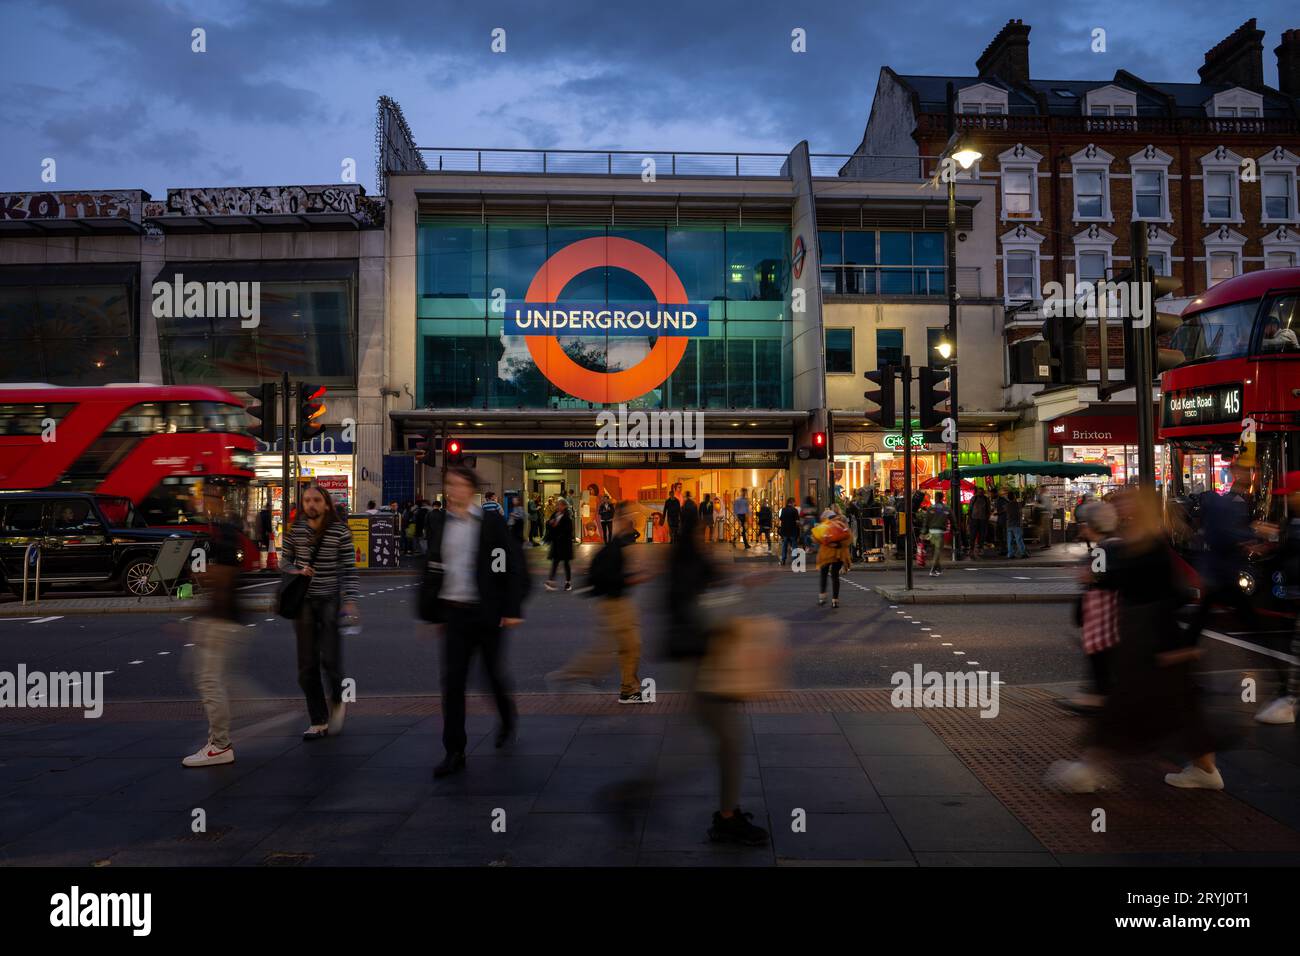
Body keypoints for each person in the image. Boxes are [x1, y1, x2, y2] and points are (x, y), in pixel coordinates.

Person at [1046, 486, 1223, 793]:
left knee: (1126, 702)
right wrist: (1098, 577)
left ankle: (1090, 768)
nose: (1121, 505)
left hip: (1153, 637)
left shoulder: (1153, 546)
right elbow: (1128, 581)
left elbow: (1176, 594)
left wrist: (1181, 645)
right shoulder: (1135, 542)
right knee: (1180, 707)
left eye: (1128, 501)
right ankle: (1205, 770)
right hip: (1142, 634)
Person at [665, 507, 769, 846]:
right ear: (698, 531)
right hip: (699, 664)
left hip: (699, 661)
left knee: (718, 742)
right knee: (713, 746)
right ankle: (724, 818)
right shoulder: (689, 565)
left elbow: (708, 600)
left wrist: (736, 583)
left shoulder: (686, 561)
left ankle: (727, 812)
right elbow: (704, 611)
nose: (710, 536)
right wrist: (739, 588)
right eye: (706, 532)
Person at [425, 465, 530, 778]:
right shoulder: (441, 523)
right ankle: (454, 751)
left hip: (486, 612)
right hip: (454, 612)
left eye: (459, 484)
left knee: (491, 674)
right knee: (452, 683)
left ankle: (507, 717)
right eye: (449, 485)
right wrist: (431, 613)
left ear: (471, 490)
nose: (454, 490)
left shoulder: (491, 522)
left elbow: (513, 565)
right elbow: (431, 568)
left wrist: (511, 609)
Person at [548, 501, 650, 704]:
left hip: (620, 602)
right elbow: (608, 577)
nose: (633, 519)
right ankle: (566, 677)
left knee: (630, 646)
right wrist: (631, 579)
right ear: (620, 519)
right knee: (607, 652)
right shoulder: (613, 547)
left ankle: (629, 690)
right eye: (629, 515)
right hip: (614, 604)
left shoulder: (620, 543)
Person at [281, 484, 359, 740]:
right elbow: (285, 560)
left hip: (329, 600)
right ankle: (318, 719)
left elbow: (349, 569)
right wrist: (296, 571)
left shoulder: (340, 531)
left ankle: (337, 699)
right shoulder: (296, 531)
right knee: (306, 665)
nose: (310, 505)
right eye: (306, 501)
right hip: (303, 601)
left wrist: (349, 600)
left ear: (326, 504)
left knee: (331, 661)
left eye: (315, 500)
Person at [182, 484, 249, 767]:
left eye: (206, 498)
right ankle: (220, 738)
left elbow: (226, 575)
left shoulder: (226, 529)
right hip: (220, 616)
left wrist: (207, 615)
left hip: (222, 618)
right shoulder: (221, 527)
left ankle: (220, 745)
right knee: (212, 679)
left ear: (218, 500)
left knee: (210, 682)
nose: (201, 503)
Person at [1185, 464, 1261, 642]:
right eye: (1245, 472)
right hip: (1223, 570)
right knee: (1244, 614)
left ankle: (1186, 646)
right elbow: (1225, 533)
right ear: (1236, 474)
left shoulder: (1236, 499)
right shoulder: (1233, 501)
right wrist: (1254, 534)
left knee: (1204, 615)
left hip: (1220, 569)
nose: (1250, 476)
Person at [1256, 470, 1300, 724]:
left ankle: (1289, 700)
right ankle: (1289, 698)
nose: (1289, 499)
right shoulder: (1292, 521)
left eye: (1292, 494)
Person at [814, 510, 852, 608]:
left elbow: (816, 538)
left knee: (824, 574)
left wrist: (829, 543)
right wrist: (838, 544)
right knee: (835, 576)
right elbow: (849, 539)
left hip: (826, 554)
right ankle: (835, 600)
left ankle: (822, 597)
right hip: (839, 554)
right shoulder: (842, 525)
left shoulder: (825, 525)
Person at [544, 497, 575, 591]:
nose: (558, 506)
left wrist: (557, 526)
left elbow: (569, 529)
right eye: (557, 505)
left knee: (566, 563)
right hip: (556, 543)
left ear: (564, 506)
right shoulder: (555, 514)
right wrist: (550, 523)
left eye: (560, 505)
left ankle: (568, 583)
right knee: (555, 562)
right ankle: (551, 581)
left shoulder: (567, 516)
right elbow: (549, 524)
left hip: (565, 544)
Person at [926, 491, 951, 577]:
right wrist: (956, 529)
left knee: (934, 552)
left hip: (932, 533)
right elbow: (953, 520)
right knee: (937, 552)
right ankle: (935, 569)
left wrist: (923, 532)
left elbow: (926, 521)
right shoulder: (946, 508)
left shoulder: (930, 508)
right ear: (942, 498)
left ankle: (936, 569)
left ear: (936, 498)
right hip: (940, 533)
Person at [777, 497, 800, 567]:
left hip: (785, 531)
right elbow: (797, 521)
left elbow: (780, 518)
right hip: (793, 531)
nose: (794, 504)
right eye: (794, 502)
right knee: (794, 546)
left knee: (784, 546)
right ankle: (795, 560)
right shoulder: (794, 510)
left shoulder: (783, 510)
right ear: (792, 502)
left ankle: (783, 560)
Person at [1005, 489, 1027, 559]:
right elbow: (1023, 503)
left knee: (1009, 540)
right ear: (1014, 496)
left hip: (1009, 524)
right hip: (1016, 524)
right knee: (1018, 539)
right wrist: (1025, 496)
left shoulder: (1007, 505)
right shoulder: (1017, 504)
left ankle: (1010, 554)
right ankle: (1022, 553)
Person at [969, 486, 990, 559]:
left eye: (981, 492)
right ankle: (971, 549)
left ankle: (980, 548)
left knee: (982, 534)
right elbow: (970, 509)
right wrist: (970, 519)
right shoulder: (974, 498)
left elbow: (988, 509)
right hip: (974, 519)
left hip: (982, 519)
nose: (980, 493)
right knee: (973, 535)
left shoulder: (986, 499)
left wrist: (987, 518)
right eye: (979, 492)